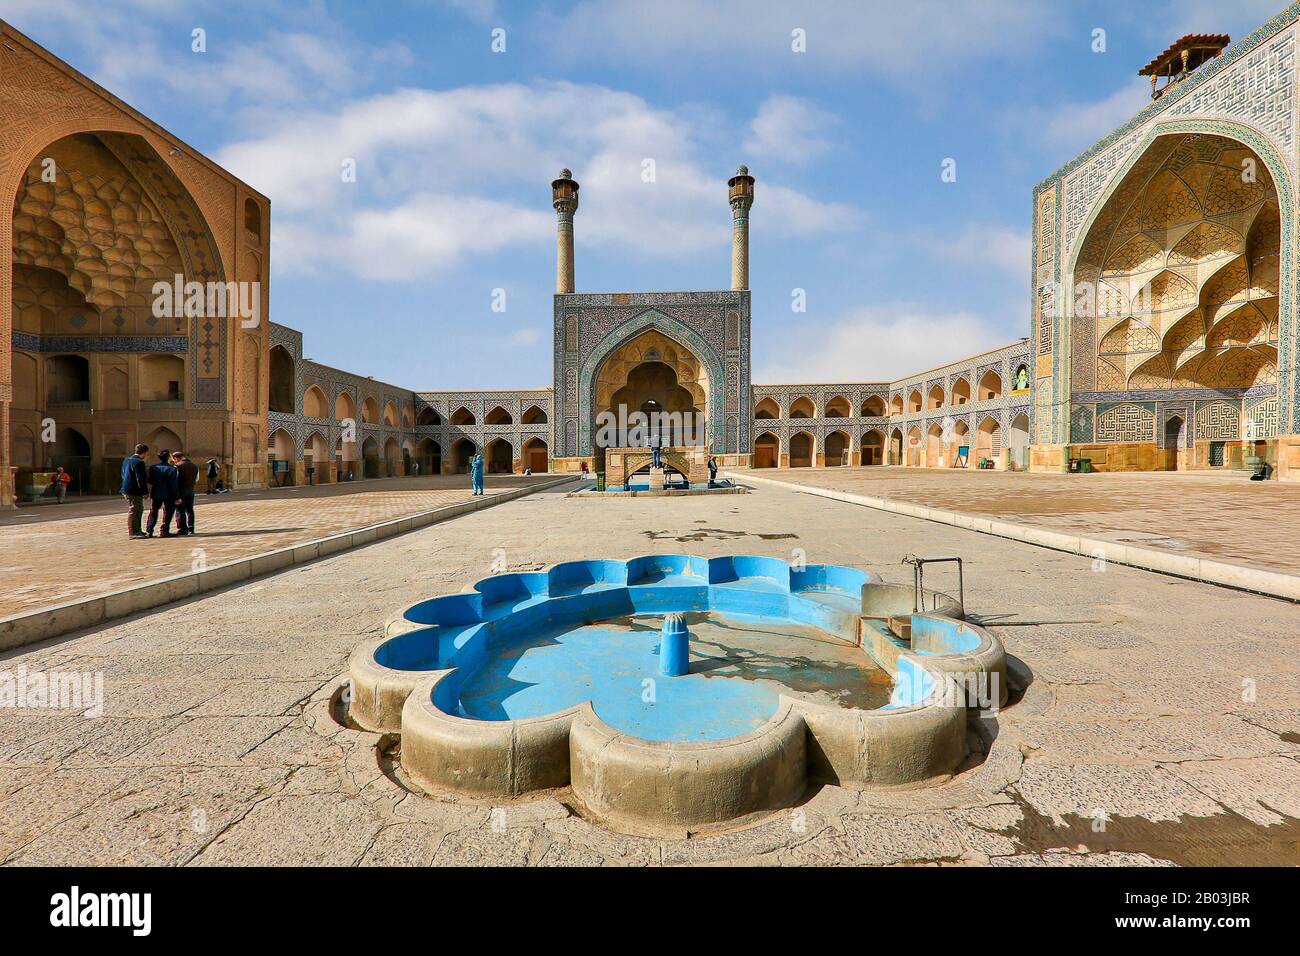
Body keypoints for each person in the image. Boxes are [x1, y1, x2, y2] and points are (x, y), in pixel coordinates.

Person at [145, 449, 182, 537]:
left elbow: (150, 480)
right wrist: (177, 497)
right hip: (169, 493)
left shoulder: (153, 467)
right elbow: (173, 485)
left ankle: (149, 530)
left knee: (153, 511)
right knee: (168, 512)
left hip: (156, 492)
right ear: (168, 458)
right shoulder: (172, 469)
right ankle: (164, 531)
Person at [120, 443, 150, 539]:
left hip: (127, 489)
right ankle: (133, 532)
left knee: (138, 509)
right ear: (144, 452)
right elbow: (140, 479)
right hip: (134, 491)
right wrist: (145, 492)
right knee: (135, 510)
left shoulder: (126, 460)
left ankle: (138, 530)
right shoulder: (139, 462)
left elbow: (123, 474)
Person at [172, 451, 199, 535]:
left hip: (180, 490)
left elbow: (174, 480)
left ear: (177, 458)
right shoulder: (195, 466)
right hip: (190, 490)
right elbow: (197, 479)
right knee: (190, 510)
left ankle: (182, 529)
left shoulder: (177, 467)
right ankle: (191, 528)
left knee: (180, 510)